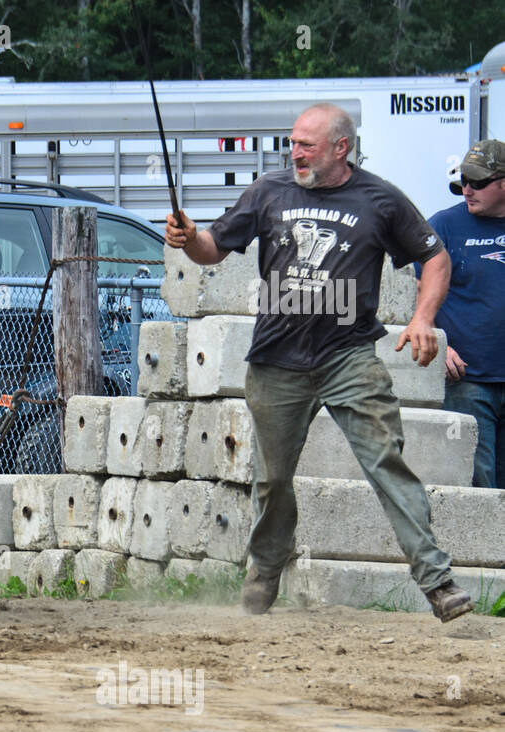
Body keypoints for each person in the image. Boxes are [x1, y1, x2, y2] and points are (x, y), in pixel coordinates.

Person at [165, 102, 473, 623]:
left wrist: (423, 318)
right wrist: (190, 237)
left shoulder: (380, 198)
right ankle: (266, 567)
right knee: (272, 478)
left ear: (341, 147)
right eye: (293, 142)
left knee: (386, 462)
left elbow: (435, 256)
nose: (295, 152)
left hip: (348, 357)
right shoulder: (268, 190)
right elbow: (213, 248)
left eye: (306, 144)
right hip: (276, 359)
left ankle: (437, 581)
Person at [416, 140, 505, 488]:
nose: (467, 189)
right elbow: (417, 294)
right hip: (468, 380)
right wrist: (442, 344)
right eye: (464, 181)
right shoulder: (444, 226)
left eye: (477, 182)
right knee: (479, 485)